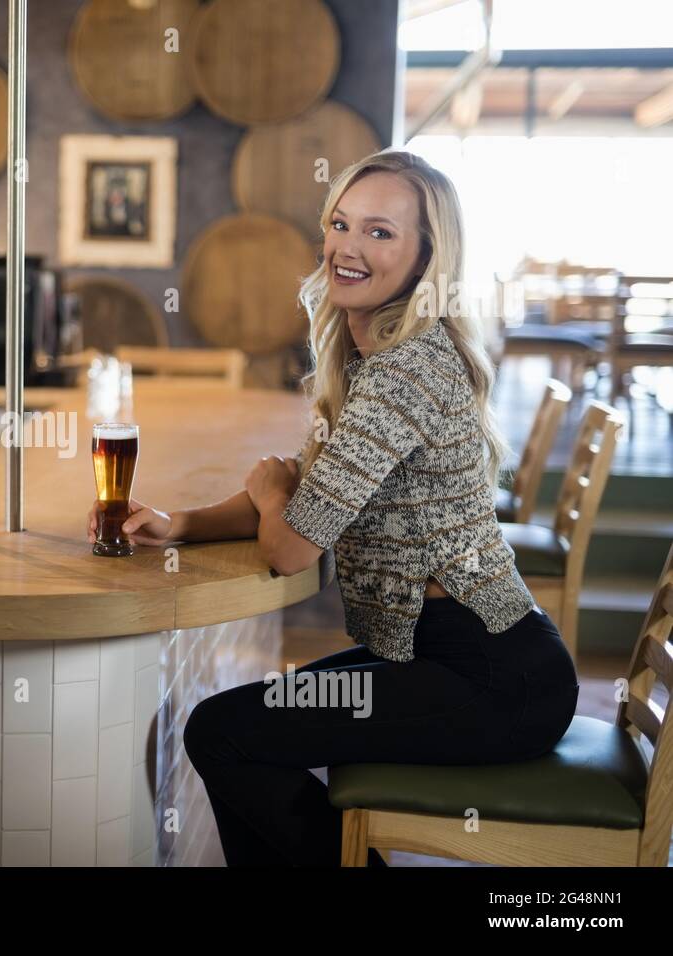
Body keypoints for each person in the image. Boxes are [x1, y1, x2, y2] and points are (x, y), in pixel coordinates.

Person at [86, 149, 579, 866]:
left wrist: (269, 494)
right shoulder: (374, 353)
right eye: (341, 224)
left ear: (425, 258)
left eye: (380, 233)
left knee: (222, 733)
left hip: (494, 679)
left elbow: (290, 544)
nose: (348, 247)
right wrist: (186, 524)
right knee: (232, 730)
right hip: (446, 656)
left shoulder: (405, 369)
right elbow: (302, 497)